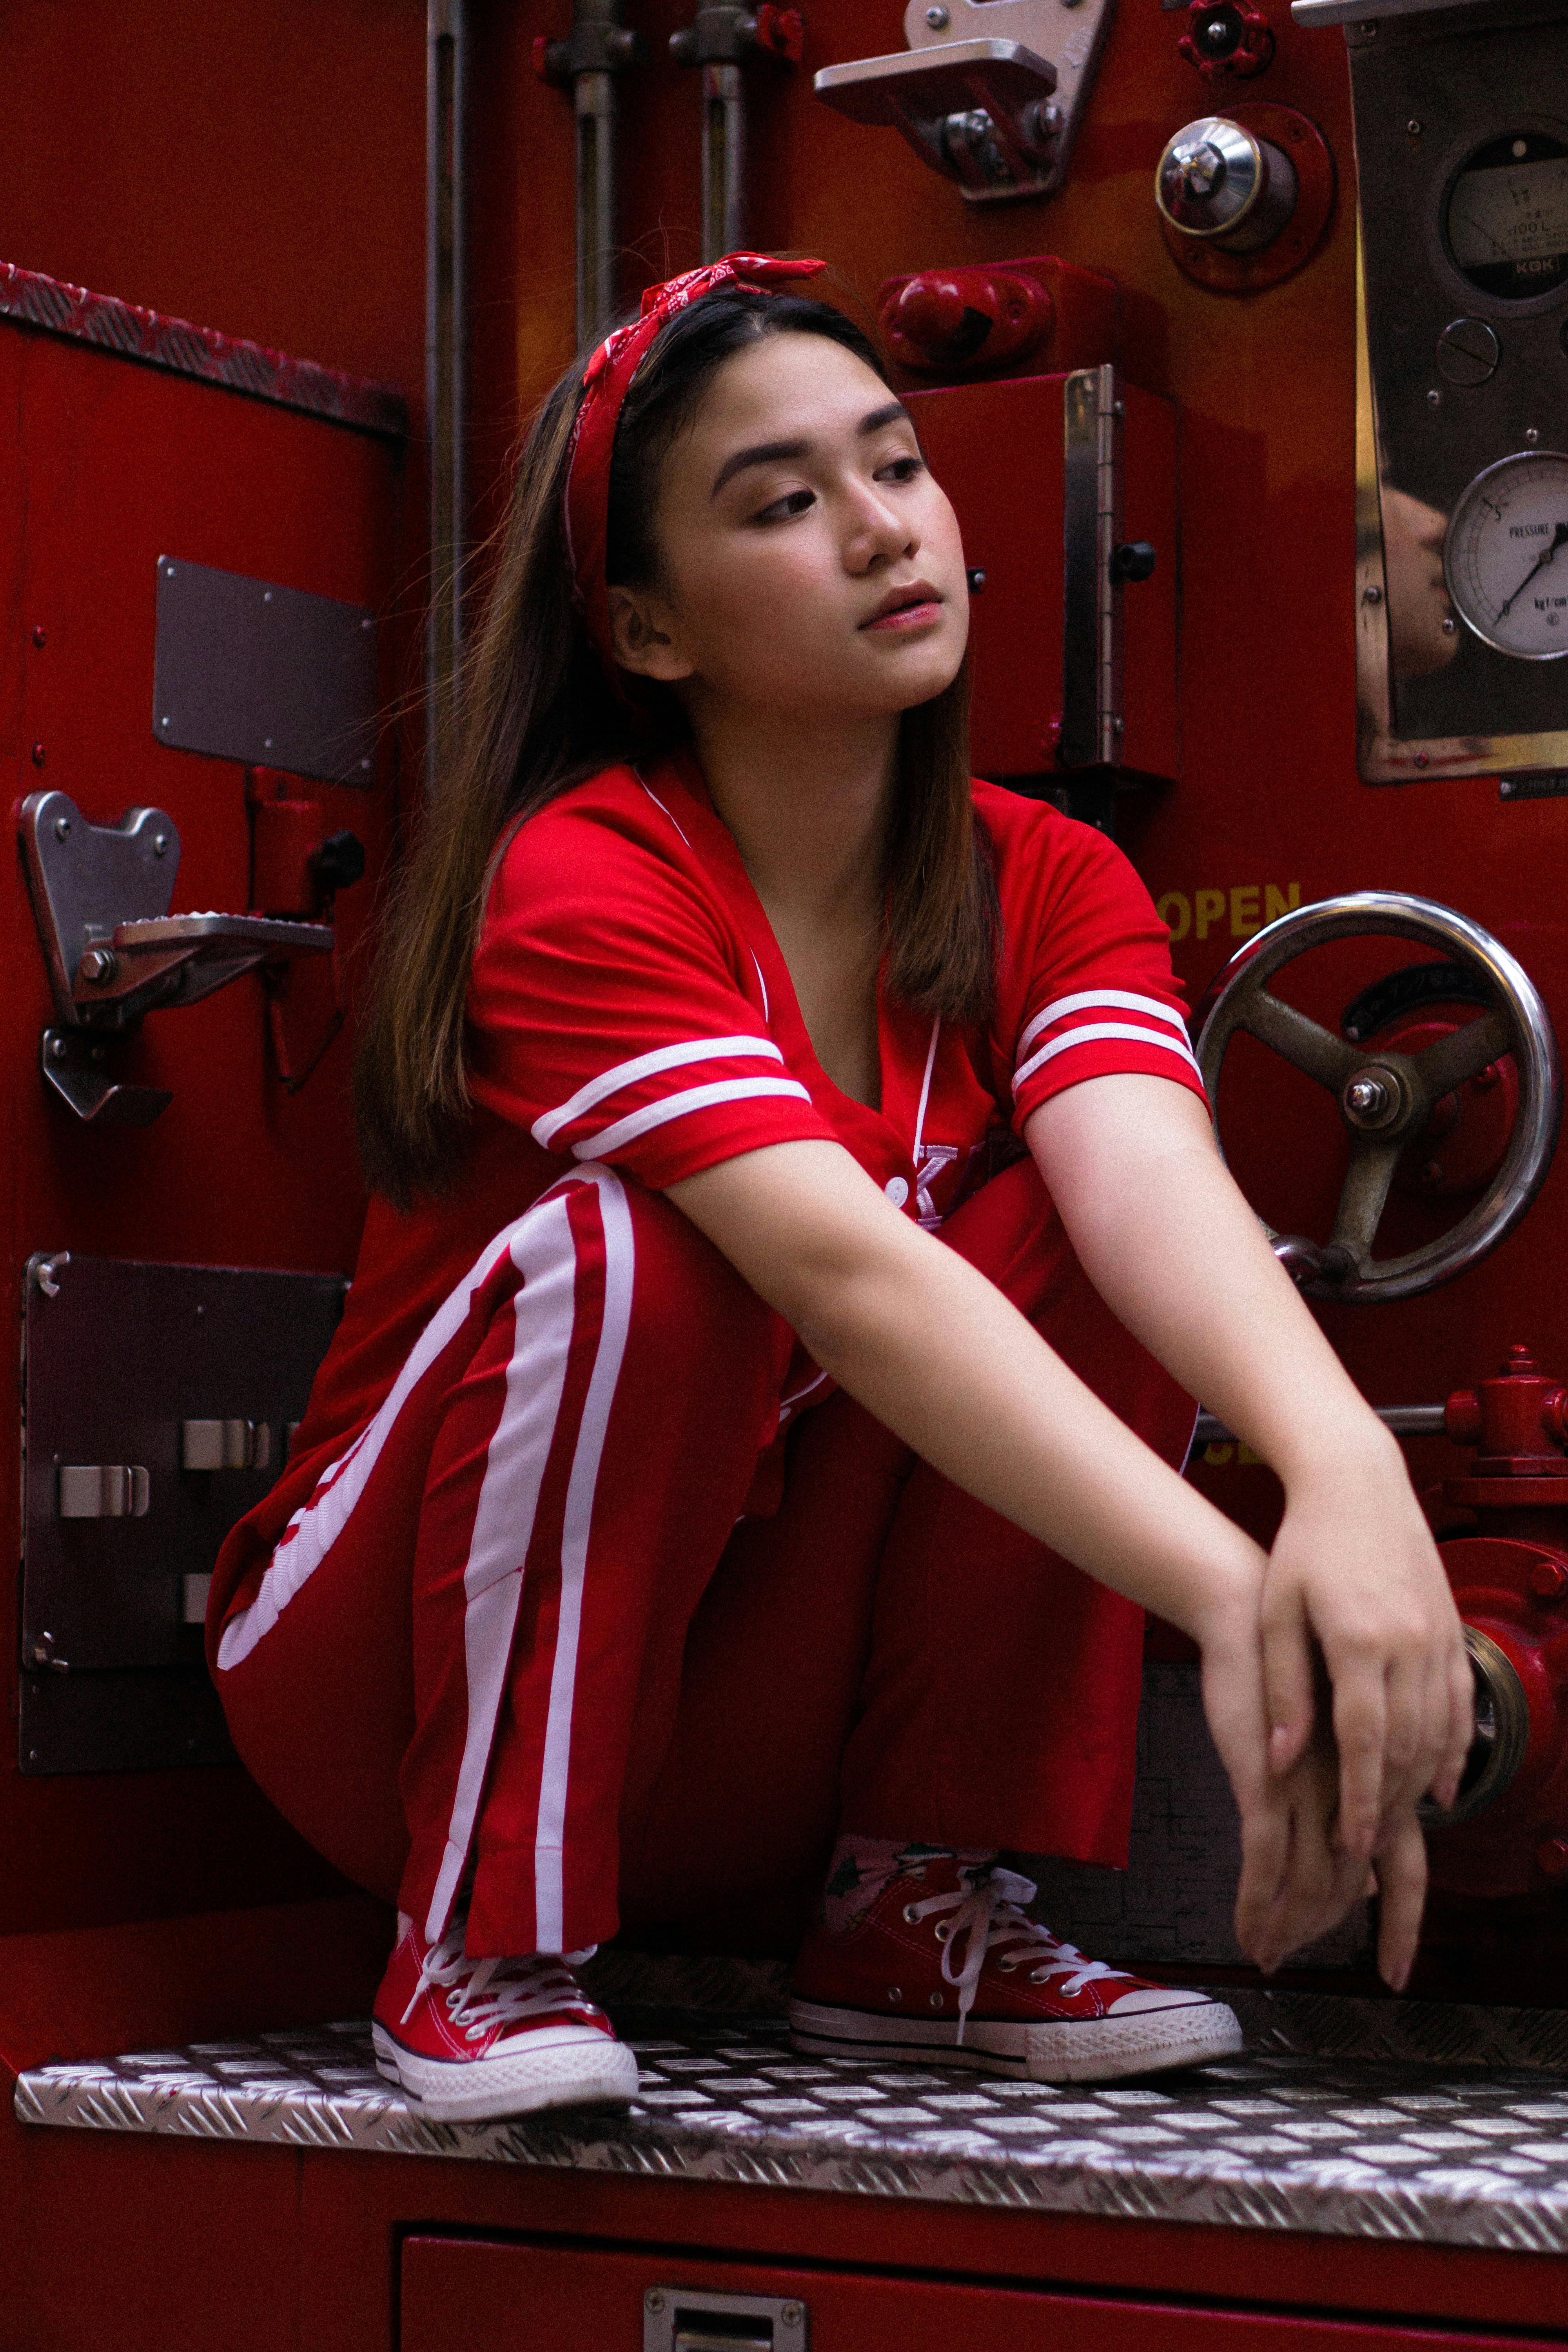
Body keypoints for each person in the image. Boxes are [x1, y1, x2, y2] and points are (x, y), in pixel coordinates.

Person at [208, 254, 1472, 2127]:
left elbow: (1150, 1194)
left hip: (719, 1710)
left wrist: (1347, 1483)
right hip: (381, 1700)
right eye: (785, 503)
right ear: (645, 631)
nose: (883, 530)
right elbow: (845, 1279)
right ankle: (469, 1935)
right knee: (653, 1251)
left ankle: (917, 1904)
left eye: (897, 465)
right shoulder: (585, 881)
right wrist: (1238, 1592)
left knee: (1066, 1214)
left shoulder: (1039, 877)